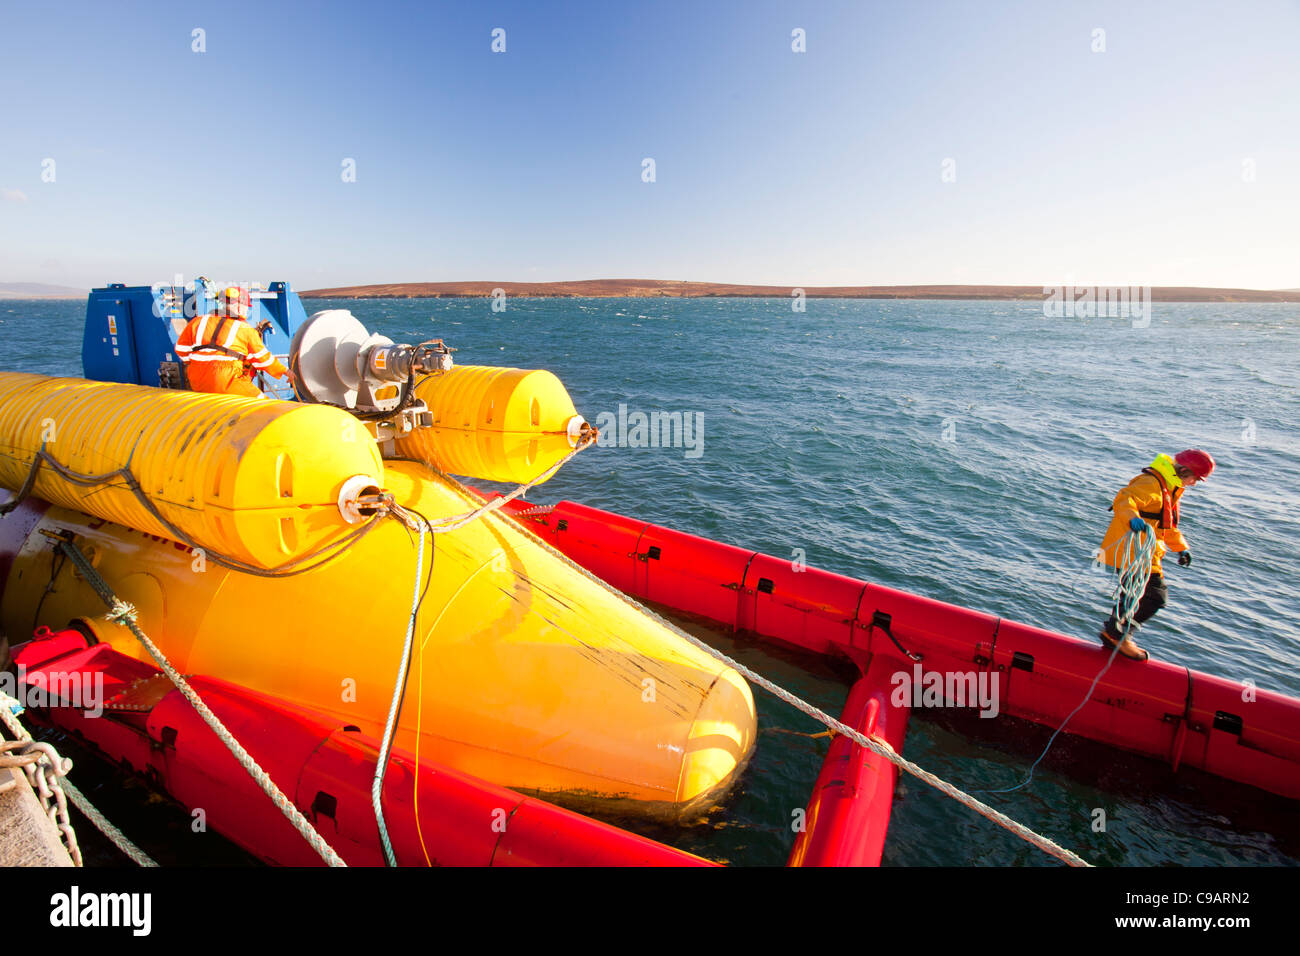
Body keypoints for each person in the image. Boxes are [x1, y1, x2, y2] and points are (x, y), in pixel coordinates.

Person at [1096, 449, 1216, 660]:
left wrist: (1181, 547)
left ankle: (1114, 633)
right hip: (1134, 553)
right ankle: (1117, 634)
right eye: (1195, 479)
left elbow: (1166, 525)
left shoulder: (1169, 489)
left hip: (1146, 553)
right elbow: (1125, 499)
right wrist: (1132, 517)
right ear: (1185, 471)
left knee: (1134, 596)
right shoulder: (1152, 484)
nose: (1194, 484)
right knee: (1155, 597)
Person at [175, 286, 290, 397]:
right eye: (247, 307)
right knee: (264, 405)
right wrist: (284, 371)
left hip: (197, 381)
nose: (247, 311)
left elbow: (180, 350)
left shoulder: (198, 322)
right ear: (239, 307)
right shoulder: (244, 328)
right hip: (228, 380)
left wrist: (199, 364)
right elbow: (263, 359)